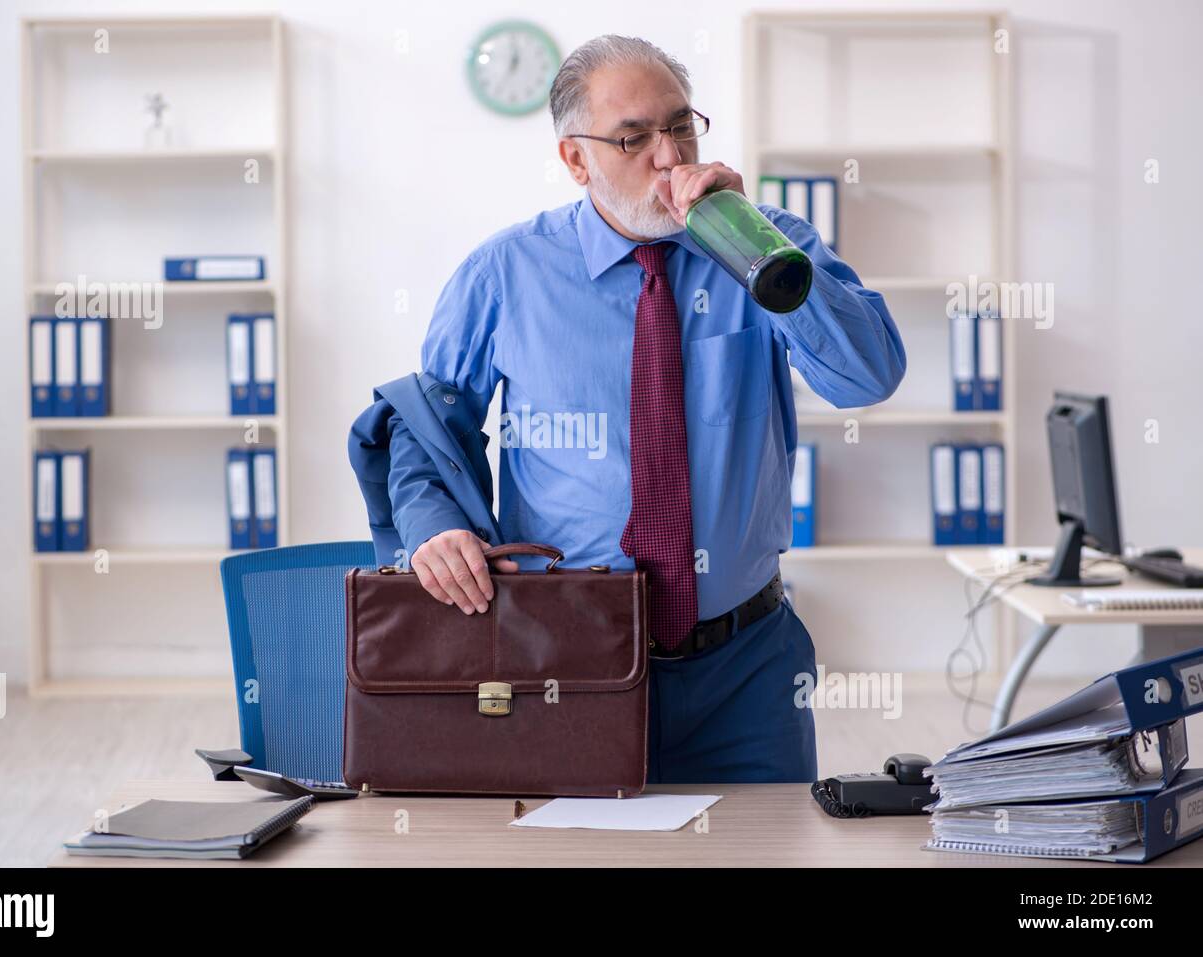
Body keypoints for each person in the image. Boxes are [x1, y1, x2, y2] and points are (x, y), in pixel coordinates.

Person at [384, 34, 905, 782]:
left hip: (747, 670)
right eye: (633, 138)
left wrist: (753, 244)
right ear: (575, 159)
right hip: (567, 660)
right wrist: (435, 528)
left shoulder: (764, 245)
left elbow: (870, 376)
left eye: (681, 127)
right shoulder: (504, 273)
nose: (668, 156)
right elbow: (423, 432)